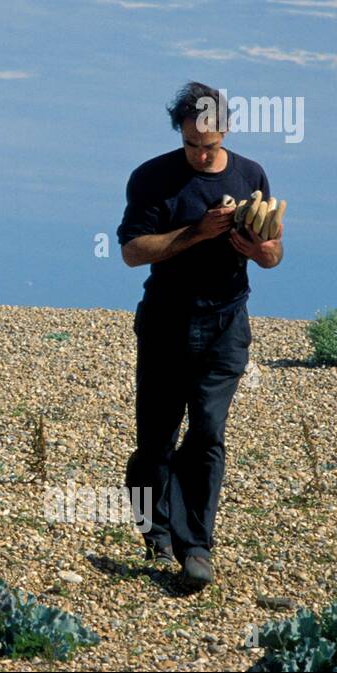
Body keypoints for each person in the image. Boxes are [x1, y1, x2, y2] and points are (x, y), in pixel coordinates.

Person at [116, 82, 284, 588]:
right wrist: (197, 233)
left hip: (227, 322)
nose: (202, 153)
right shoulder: (152, 178)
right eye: (192, 144)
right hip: (167, 319)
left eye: (210, 144)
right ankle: (155, 528)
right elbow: (131, 251)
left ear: (226, 128)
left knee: (207, 433)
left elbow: (275, 254)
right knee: (156, 441)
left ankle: (196, 547)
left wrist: (255, 248)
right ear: (180, 133)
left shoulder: (251, 174)